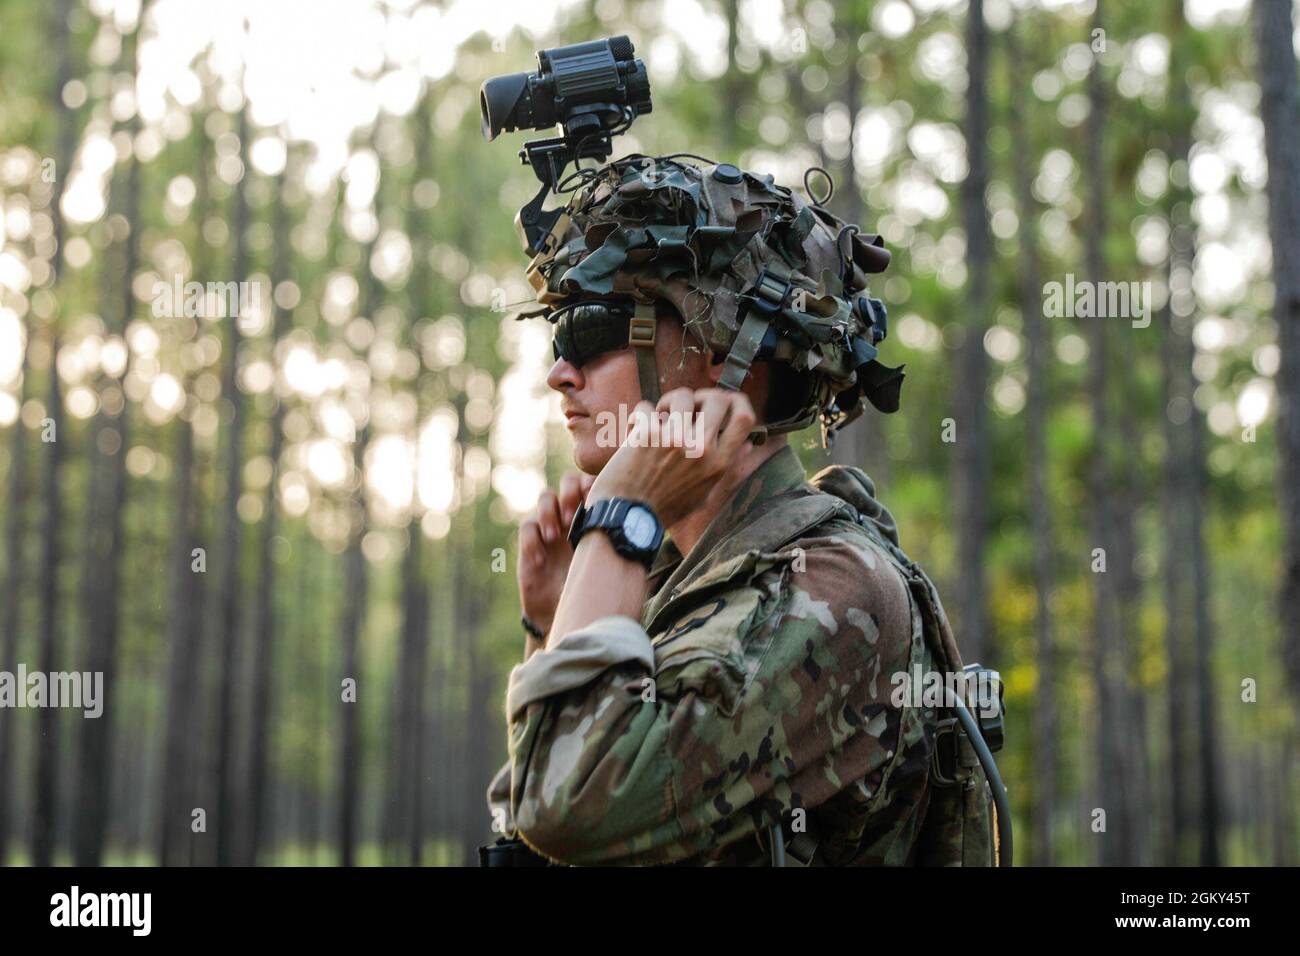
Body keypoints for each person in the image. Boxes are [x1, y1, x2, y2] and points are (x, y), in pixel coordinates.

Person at [483, 155, 997, 866]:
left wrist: (620, 520)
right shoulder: (683, 578)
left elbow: (568, 806)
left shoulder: (838, 591)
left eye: (591, 328)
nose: (558, 372)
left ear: (731, 359)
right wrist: (555, 623)